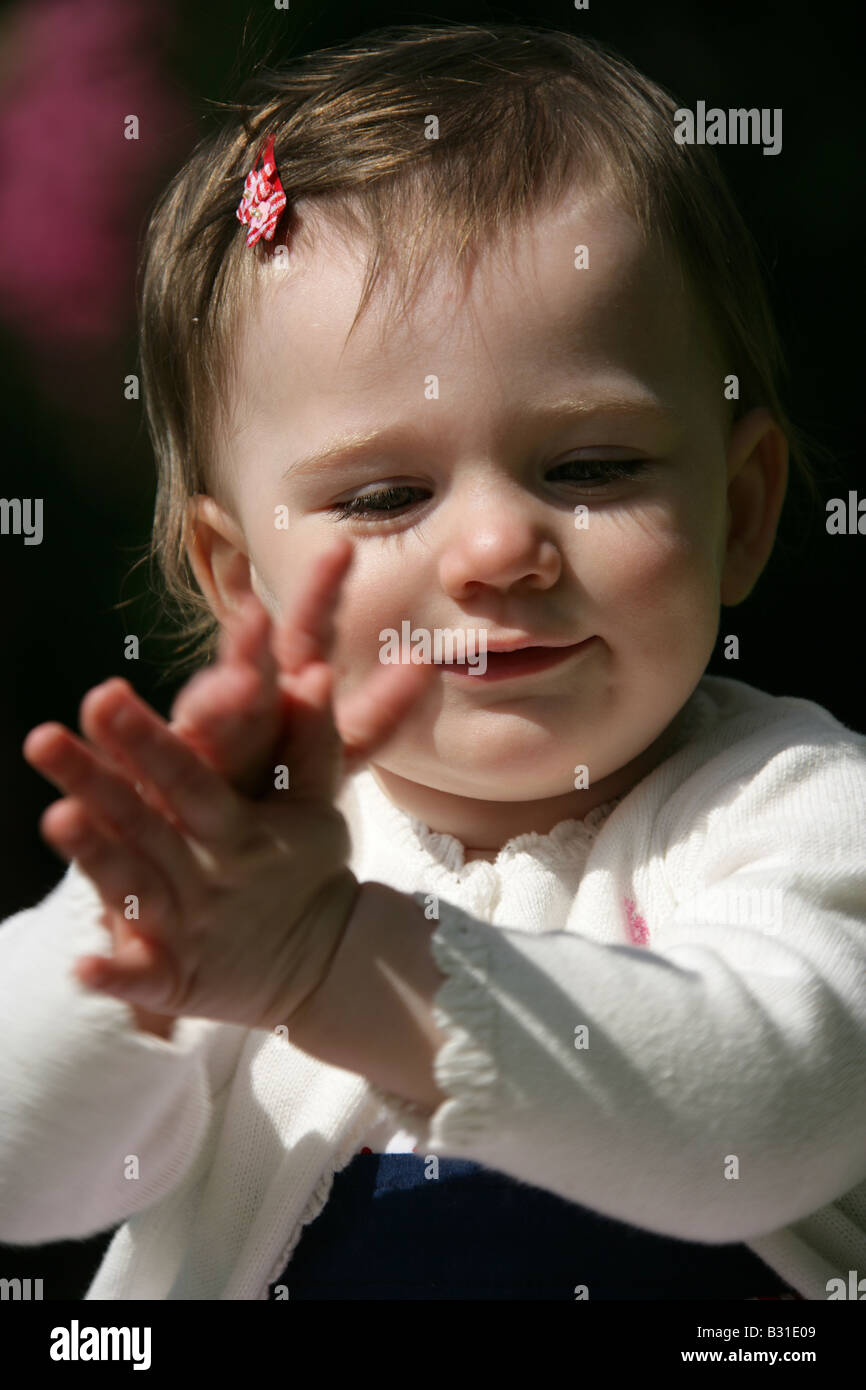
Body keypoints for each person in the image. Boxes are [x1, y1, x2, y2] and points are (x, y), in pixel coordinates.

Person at [2, 23, 864, 1300]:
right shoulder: (235, 861)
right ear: (243, 585)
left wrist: (330, 963)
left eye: (590, 467)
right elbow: (28, 1172)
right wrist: (154, 928)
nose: (496, 546)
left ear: (738, 510)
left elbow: (765, 1108)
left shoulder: (795, 810)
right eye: (386, 492)